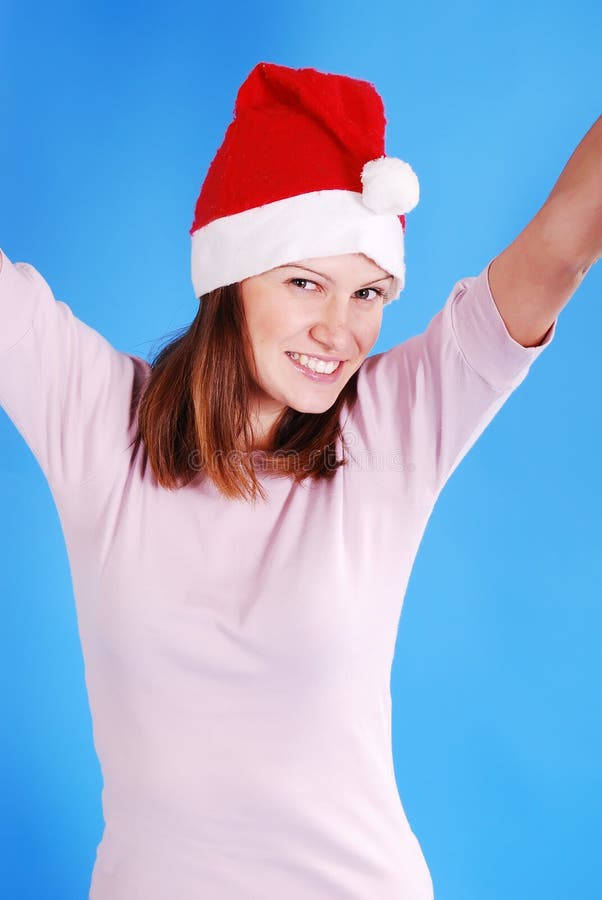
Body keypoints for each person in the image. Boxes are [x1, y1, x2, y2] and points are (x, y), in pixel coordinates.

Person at [0, 60, 599, 900]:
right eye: (305, 283)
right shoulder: (100, 422)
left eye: (369, 293)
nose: (338, 330)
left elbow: (563, 245)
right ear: (231, 278)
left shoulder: (394, 426)